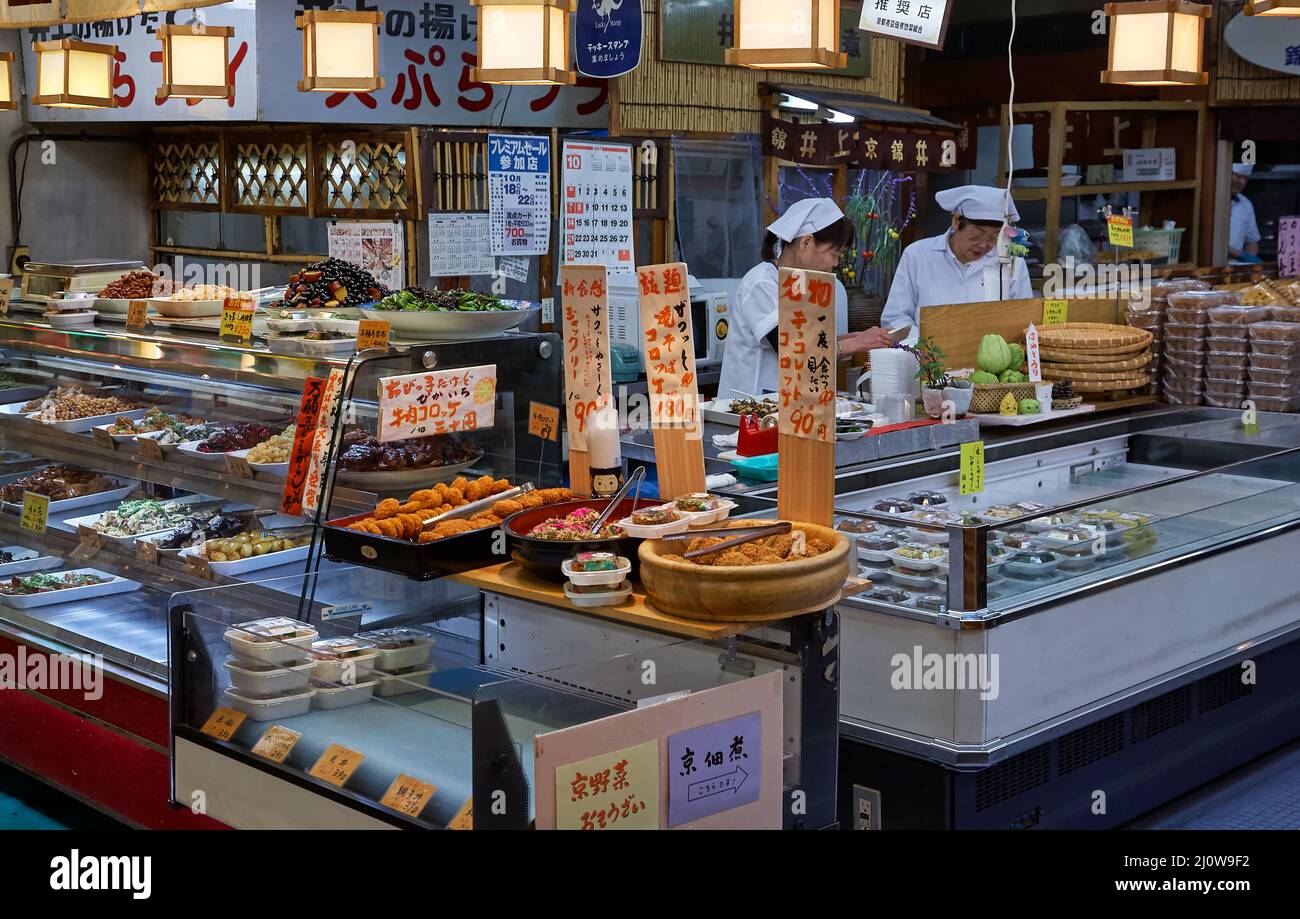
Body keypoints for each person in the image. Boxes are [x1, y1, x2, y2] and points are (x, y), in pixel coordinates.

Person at [717, 198, 892, 398]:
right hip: (753, 407)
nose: (835, 263)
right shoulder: (761, 283)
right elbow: (793, 348)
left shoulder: (802, 284)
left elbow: (812, 340)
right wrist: (859, 343)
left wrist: (861, 337)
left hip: (789, 404)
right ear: (806, 242)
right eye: (834, 254)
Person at [881, 185, 1032, 339]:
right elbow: (895, 318)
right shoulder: (918, 255)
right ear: (956, 220)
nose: (983, 245)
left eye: (993, 238)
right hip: (926, 358)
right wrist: (926, 345)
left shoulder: (1012, 265)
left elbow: (1024, 323)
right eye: (976, 236)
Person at [1229, 164, 1262, 263]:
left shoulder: (1246, 204)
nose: (1242, 182)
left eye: (1246, 178)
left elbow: (1252, 243)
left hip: (1235, 269)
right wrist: (1240, 254)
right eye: (1238, 176)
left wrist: (1249, 264)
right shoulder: (1210, 201)